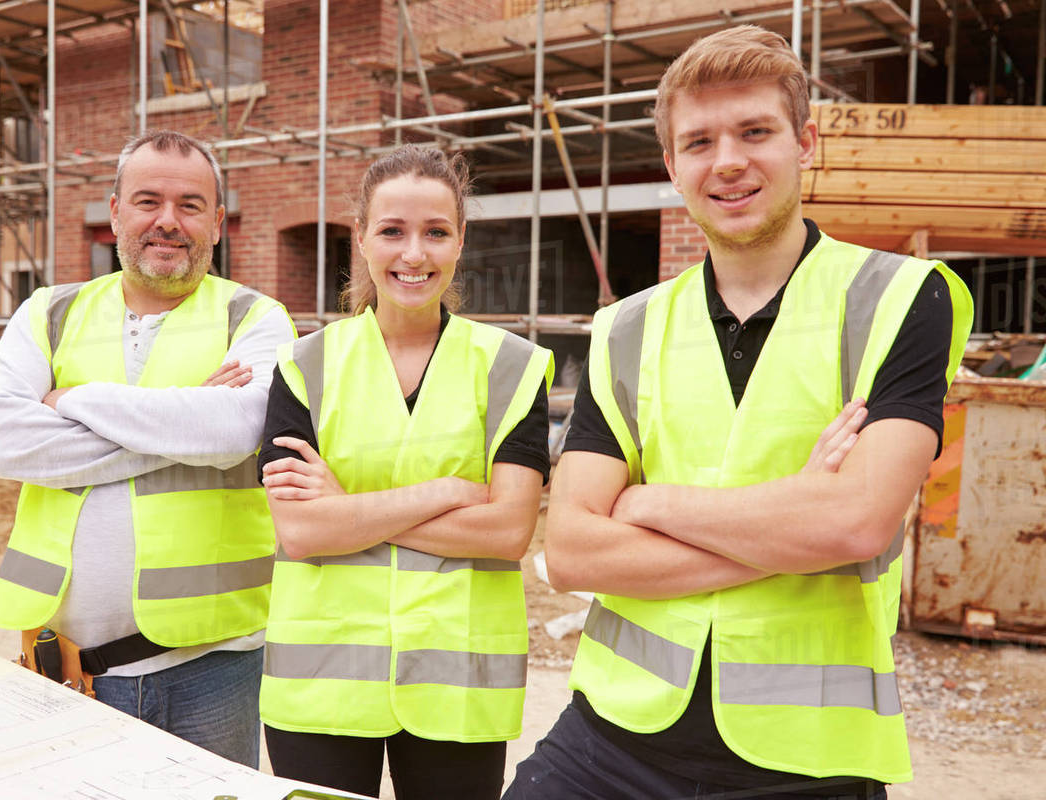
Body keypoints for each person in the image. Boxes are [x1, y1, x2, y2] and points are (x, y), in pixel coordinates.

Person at [505, 25, 973, 800]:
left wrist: (650, 503)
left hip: (808, 758)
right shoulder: (627, 327)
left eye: (755, 131)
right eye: (699, 142)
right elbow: (575, 552)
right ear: (672, 166)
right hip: (613, 737)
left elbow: (856, 526)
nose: (727, 160)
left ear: (805, 142)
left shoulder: (899, 298)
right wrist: (796, 521)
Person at [0, 130, 294, 767]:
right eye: (148, 201)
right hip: (63, 663)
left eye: (190, 205)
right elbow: (3, 443)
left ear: (218, 221)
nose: (168, 222)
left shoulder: (255, 318)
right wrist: (188, 424)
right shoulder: (49, 312)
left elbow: (238, 433)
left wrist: (69, 400)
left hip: (212, 667)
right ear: (116, 210)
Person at [256, 145, 553, 800]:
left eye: (435, 232)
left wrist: (351, 512)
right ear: (360, 237)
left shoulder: (511, 367)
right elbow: (301, 531)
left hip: (458, 692)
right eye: (392, 231)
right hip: (320, 691)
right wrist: (446, 493)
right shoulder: (304, 366)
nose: (413, 255)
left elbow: (507, 531)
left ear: (459, 240)